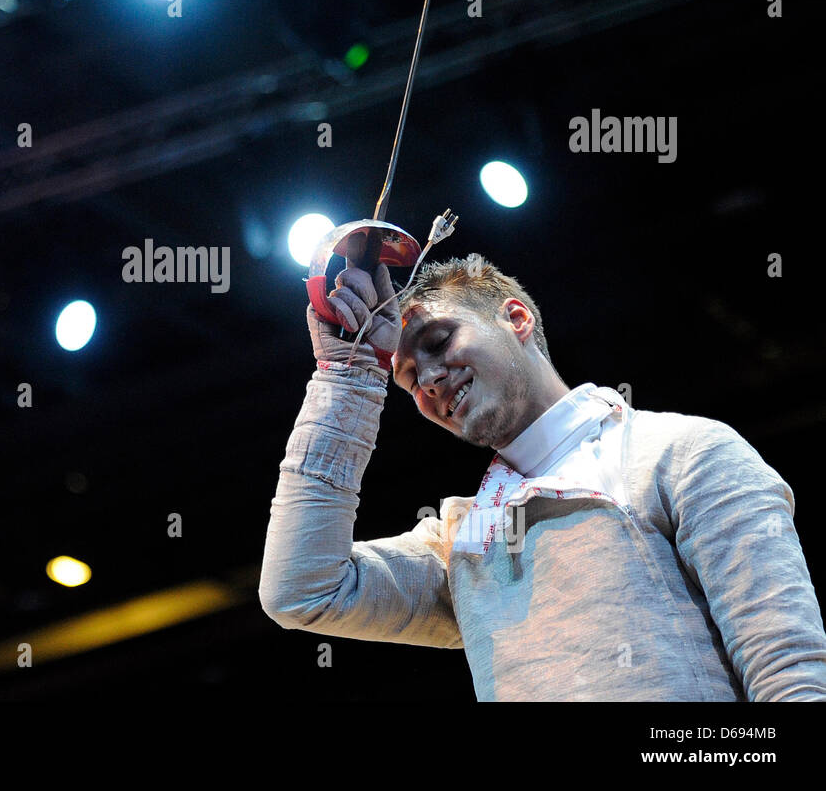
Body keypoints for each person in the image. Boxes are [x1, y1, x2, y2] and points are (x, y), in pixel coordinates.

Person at [259, 251, 826, 700]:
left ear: (517, 318)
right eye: (407, 378)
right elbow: (301, 590)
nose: (428, 377)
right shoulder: (464, 542)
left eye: (438, 342)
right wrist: (349, 378)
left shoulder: (679, 451)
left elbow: (789, 671)